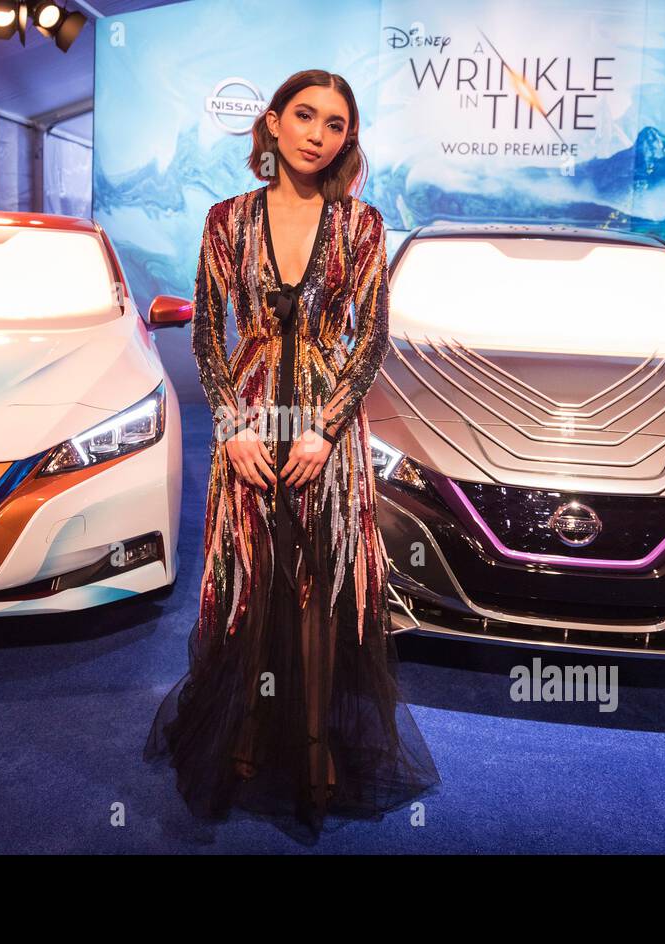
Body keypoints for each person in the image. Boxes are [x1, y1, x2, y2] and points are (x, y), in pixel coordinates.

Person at [144, 69, 440, 840]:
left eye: (335, 123)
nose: (317, 133)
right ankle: (242, 736)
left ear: (348, 138)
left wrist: (327, 429)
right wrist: (235, 428)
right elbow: (209, 330)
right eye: (303, 116)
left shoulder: (363, 225)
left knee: (316, 590)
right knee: (250, 580)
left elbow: (370, 339)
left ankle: (312, 752)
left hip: (322, 428)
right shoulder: (224, 220)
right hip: (246, 420)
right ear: (271, 125)